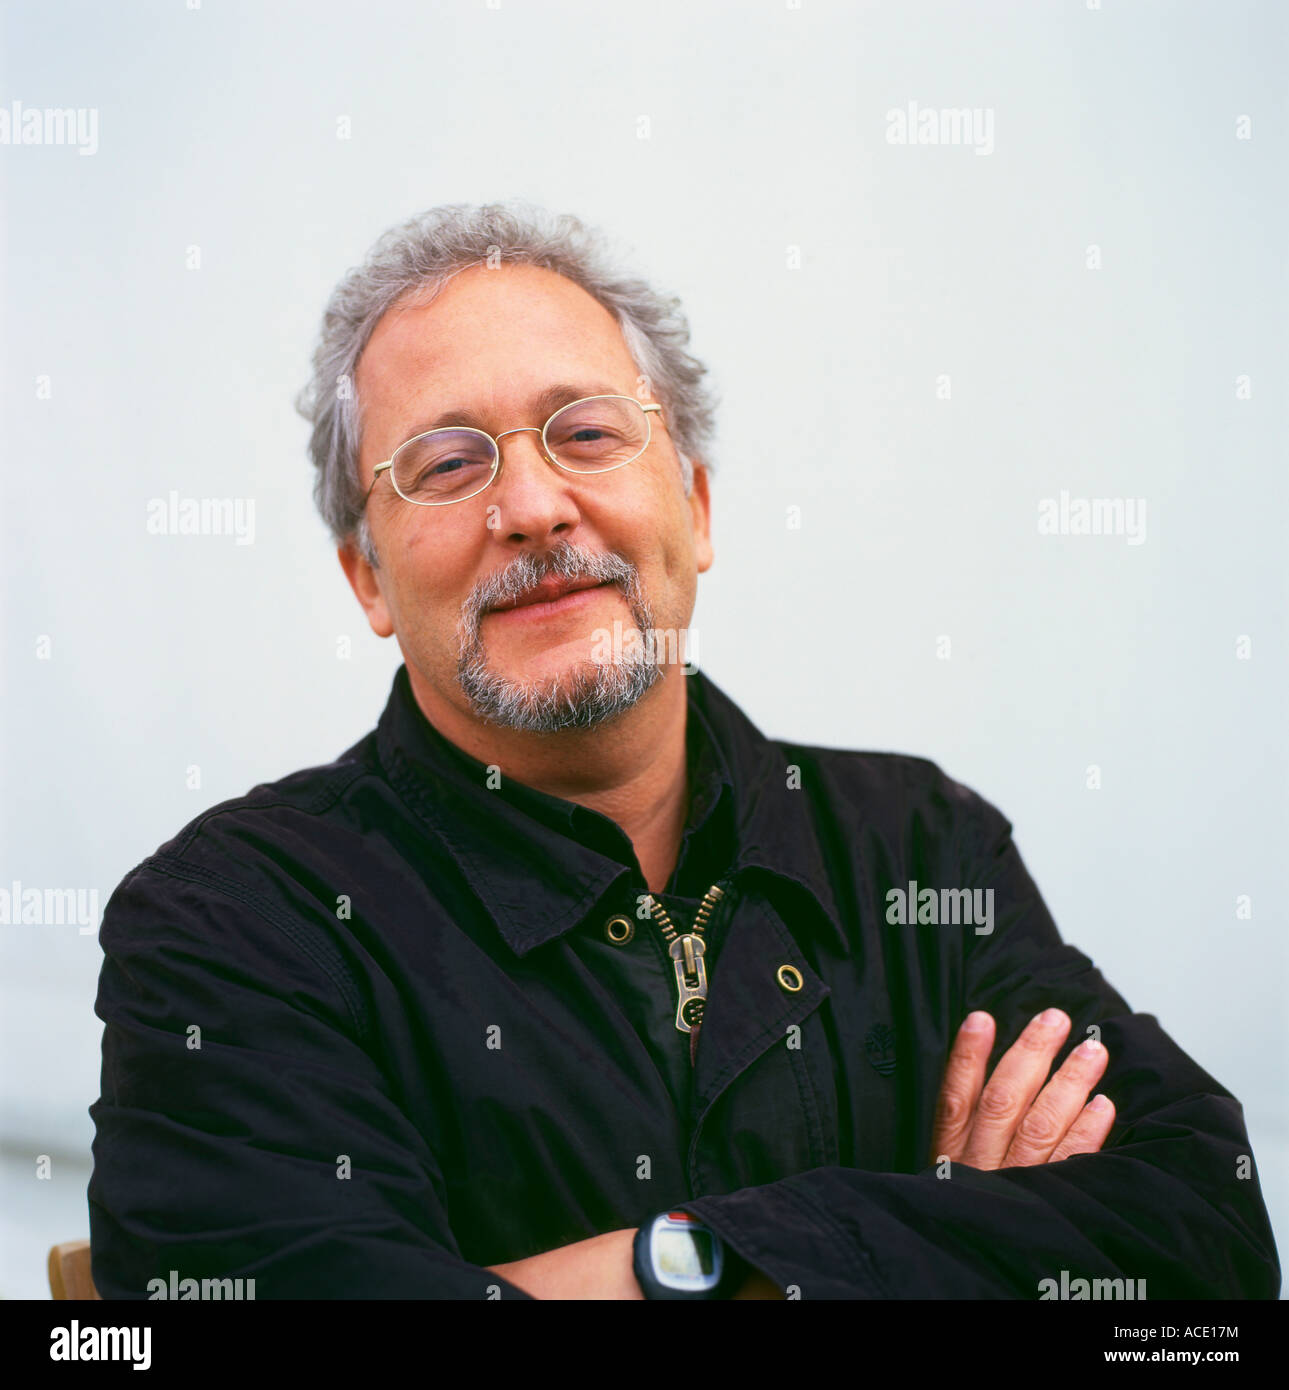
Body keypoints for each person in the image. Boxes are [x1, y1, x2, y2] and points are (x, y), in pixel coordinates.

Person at [87, 202, 1280, 1299]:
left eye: (587, 432)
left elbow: (1204, 1236)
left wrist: (665, 1268)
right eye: (449, 464)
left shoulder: (919, 843)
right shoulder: (231, 924)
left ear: (695, 507)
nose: (534, 508)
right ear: (368, 579)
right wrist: (927, 1238)